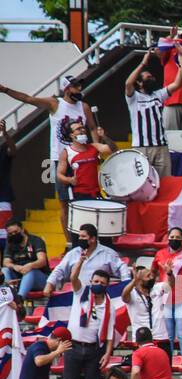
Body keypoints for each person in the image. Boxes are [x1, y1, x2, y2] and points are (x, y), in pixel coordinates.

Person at [0, 74, 93, 224]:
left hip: (81, 157)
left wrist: (96, 148)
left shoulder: (84, 107)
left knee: (84, 199)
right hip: (60, 159)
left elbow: (93, 128)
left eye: (80, 86)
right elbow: (28, 99)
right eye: (76, 86)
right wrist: (5, 90)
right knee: (64, 202)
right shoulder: (55, 103)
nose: (80, 89)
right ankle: (70, 242)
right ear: (67, 89)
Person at [124, 48, 182, 180]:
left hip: (161, 146)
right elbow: (128, 83)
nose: (152, 79)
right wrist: (143, 63)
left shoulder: (158, 95)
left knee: (165, 181)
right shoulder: (133, 97)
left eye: (151, 77)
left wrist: (181, 64)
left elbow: (177, 84)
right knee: (143, 180)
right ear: (139, 82)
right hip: (142, 147)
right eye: (147, 77)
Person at [57, 121, 114, 203]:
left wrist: (104, 136)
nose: (82, 130)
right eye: (78, 129)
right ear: (72, 135)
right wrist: (69, 180)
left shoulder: (94, 146)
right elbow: (59, 174)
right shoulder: (66, 152)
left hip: (96, 192)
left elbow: (112, 149)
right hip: (79, 194)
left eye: (83, 127)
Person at [123, 268, 170, 357]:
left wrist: (170, 274)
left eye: (151, 275)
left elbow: (171, 284)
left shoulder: (157, 287)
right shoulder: (131, 293)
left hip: (161, 338)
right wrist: (134, 281)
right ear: (139, 280)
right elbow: (124, 296)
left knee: (164, 369)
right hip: (141, 339)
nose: (152, 278)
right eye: (148, 276)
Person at [3, 221, 49, 299]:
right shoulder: (10, 243)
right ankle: (8, 297)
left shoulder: (36, 240)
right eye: (10, 234)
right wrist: (14, 266)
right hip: (18, 277)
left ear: (22, 230)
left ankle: (19, 299)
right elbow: (6, 262)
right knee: (5, 270)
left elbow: (42, 261)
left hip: (39, 277)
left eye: (16, 232)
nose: (14, 235)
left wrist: (30, 265)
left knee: (30, 271)